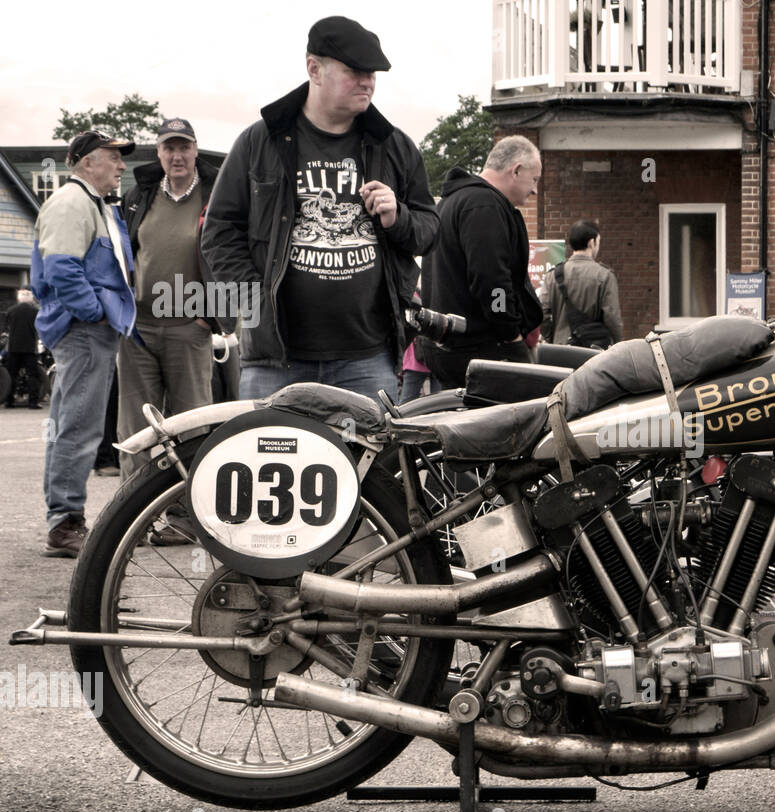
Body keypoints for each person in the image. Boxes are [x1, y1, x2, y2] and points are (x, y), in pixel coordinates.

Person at [201, 16, 439, 402]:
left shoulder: (395, 147)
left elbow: (430, 230)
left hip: (368, 356)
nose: (368, 81)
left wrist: (400, 217)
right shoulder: (259, 142)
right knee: (266, 457)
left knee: (372, 464)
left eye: (373, 73)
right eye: (355, 71)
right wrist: (256, 300)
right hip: (275, 359)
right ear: (314, 68)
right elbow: (218, 233)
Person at [30, 130, 137, 557]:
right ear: (88, 162)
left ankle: (63, 517)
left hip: (84, 329)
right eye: (113, 157)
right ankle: (66, 523)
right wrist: (94, 312)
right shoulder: (74, 203)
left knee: (68, 426)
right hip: (84, 330)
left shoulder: (86, 203)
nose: (121, 166)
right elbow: (62, 270)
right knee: (79, 427)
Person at [118, 118, 224, 478]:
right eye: (169, 148)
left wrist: (210, 318)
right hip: (139, 330)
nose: (177, 156)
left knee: (192, 427)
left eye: (184, 147)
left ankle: (185, 516)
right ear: (159, 153)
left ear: (195, 151)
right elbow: (122, 253)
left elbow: (233, 254)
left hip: (189, 328)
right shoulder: (138, 196)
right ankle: (135, 519)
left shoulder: (216, 194)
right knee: (136, 430)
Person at [419, 135, 543, 388]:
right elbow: (491, 282)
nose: (535, 190)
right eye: (535, 179)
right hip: (480, 350)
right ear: (516, 170)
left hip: (447, 347)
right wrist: (511, 337)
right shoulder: (484, 205)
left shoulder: (450, 203)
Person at [539, 220, 622, 349]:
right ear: (591, 242)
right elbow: (612, 318)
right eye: (598, 242)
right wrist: (617, 345)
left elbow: (542, 314)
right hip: (594, 351)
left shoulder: (553, 276)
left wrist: (553, 337)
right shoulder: (604, 276)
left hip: (560, 349)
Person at [3, 287, 42, 408]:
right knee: (32, 375)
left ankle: (9, 401)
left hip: (13, 347)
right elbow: (39, 328)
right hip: (29, 347)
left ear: (19, 298)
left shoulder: (10, 310)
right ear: (30, 298)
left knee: (11, 375)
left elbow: (5, 328)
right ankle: (33, 403)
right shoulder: (35, 311)